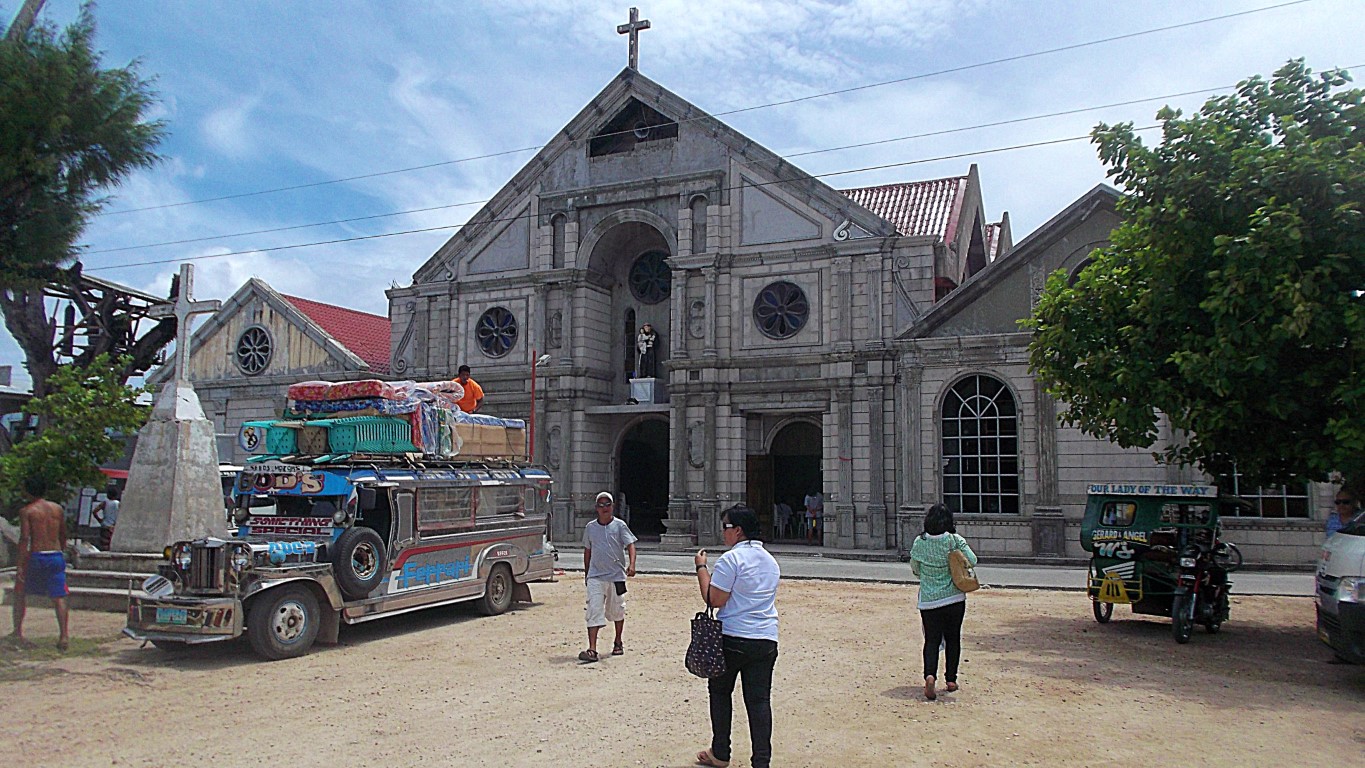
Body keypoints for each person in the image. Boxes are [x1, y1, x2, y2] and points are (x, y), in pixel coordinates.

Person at [694, 504, 780, 768]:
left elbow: (714, 598)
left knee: (720, 692)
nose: (724, 533)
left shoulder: (731, 559)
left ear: (738, 531)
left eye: (726, 527)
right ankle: (761, 761)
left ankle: (721, 752)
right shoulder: (770, 560)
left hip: (733, 636)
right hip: (765, 636)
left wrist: (701, 568)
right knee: (759, 701)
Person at [910, 503, 977, 701]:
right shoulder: (954, 540)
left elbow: (915, 569)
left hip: (929, 601)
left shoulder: (919, 542)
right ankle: (951, 679)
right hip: (954, 597)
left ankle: (930, 675)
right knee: (953, 638)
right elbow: (972, 560)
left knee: (931, 640)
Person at [7, 476, 71, 651]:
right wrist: (62, 549)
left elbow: (25, 538)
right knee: (59, 597)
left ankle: (17, 631)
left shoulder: (27, 511)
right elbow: (63, 533)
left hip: (37, 555)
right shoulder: (57, 509)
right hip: (56, 555)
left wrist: (20, 563)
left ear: (28, 491)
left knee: (20, 592)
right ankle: (64, 635)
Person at [578, 491, 637, 662]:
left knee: (617, 610)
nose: (605, 508)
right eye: (601, 505)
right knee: (593, 609)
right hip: (596, 576)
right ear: (596, 508)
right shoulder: (590, 528)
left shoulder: (620, 526)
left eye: (608, 504)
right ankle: (592, 649)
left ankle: (618, 641)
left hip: (616, 576)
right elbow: (587, 551)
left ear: (612, 507)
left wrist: (632, 564)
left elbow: (631, 545)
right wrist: (587, 574)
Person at [92, 485, 120, 550]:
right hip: (114, 527)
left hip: (105, 526)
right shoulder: (118, 504)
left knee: (104, 545)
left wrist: (99, 520)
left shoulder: (105, 503)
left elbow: (94, 511)